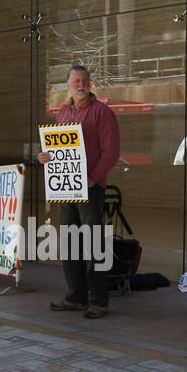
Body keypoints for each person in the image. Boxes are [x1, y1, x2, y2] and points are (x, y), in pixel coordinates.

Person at [40, 64, 121, 319]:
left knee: (92, 244)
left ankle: (98, 300)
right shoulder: (62, 113)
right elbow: (56, 150)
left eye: (84, 80)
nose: (80, 84)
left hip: (91, 189)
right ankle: (76, 295)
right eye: (76, 80)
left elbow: (111, 152)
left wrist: (93, 178)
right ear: (68, 84)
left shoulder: (102, 113)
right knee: (71, 244)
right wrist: (45, 157)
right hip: (66, 190)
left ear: (91, 83)